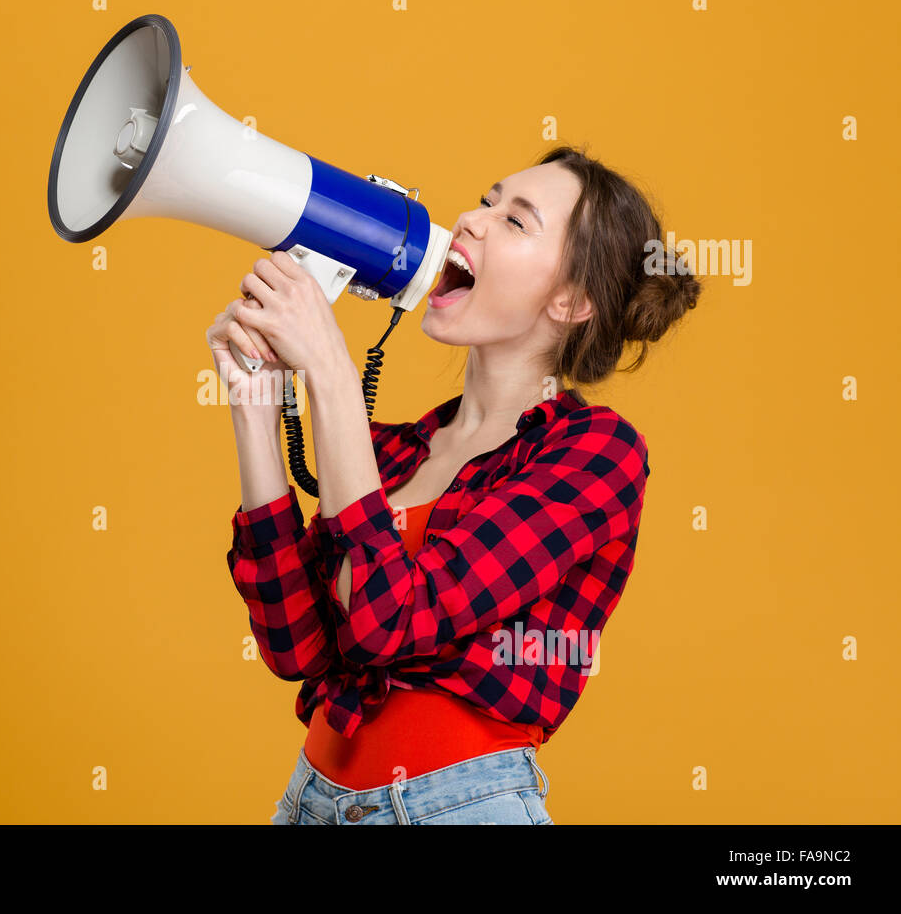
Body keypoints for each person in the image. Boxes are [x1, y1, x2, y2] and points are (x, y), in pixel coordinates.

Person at [209, 144, 702, 825]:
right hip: (309, 802)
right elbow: (295, 645)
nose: (472, 219)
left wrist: (329, 374)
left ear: (571, 300)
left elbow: (392, 620)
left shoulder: (596, 455)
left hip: (456, 807)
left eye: (516, 222)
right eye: (487, 199)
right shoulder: (389, 453)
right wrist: (255, 409)